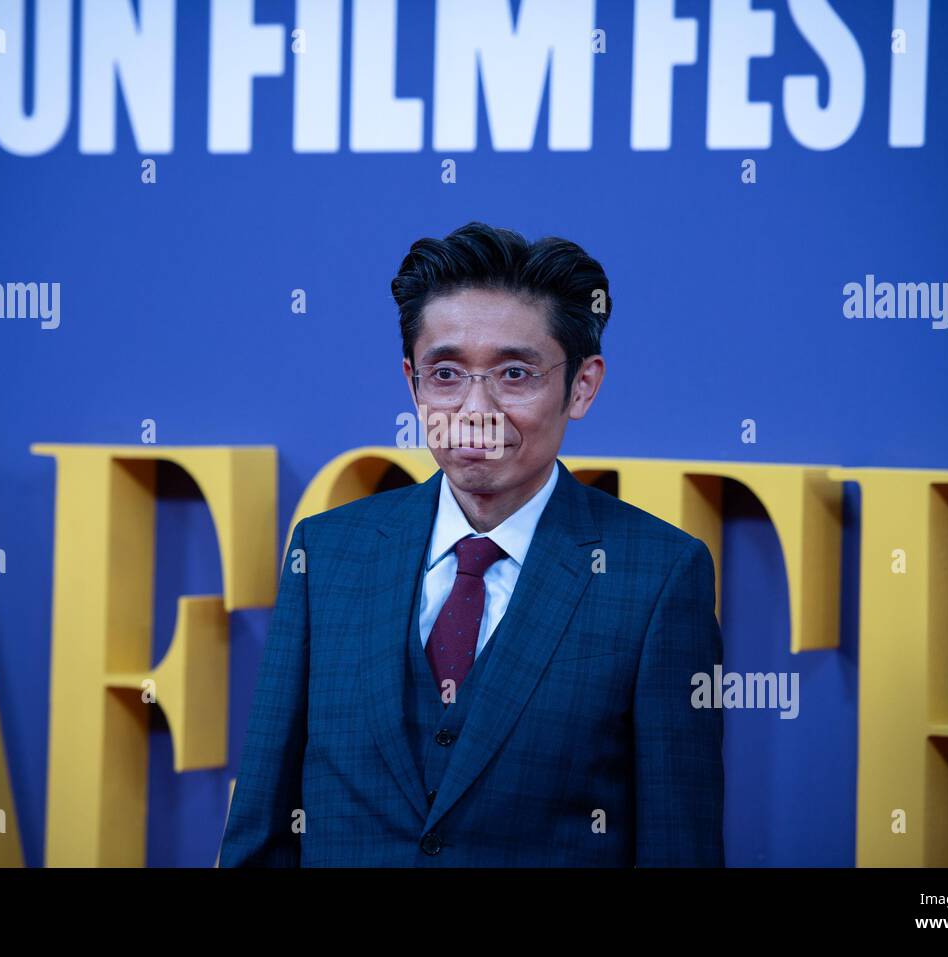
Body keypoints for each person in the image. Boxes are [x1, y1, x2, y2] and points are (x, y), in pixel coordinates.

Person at [219, 222, 723, 866]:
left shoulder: (658, 576)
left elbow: (678, 843)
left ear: (582, 386)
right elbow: (261, 830)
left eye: (515, 373)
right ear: (412, 383)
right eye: (446, 373)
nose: (474, 410)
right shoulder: (326, 555)